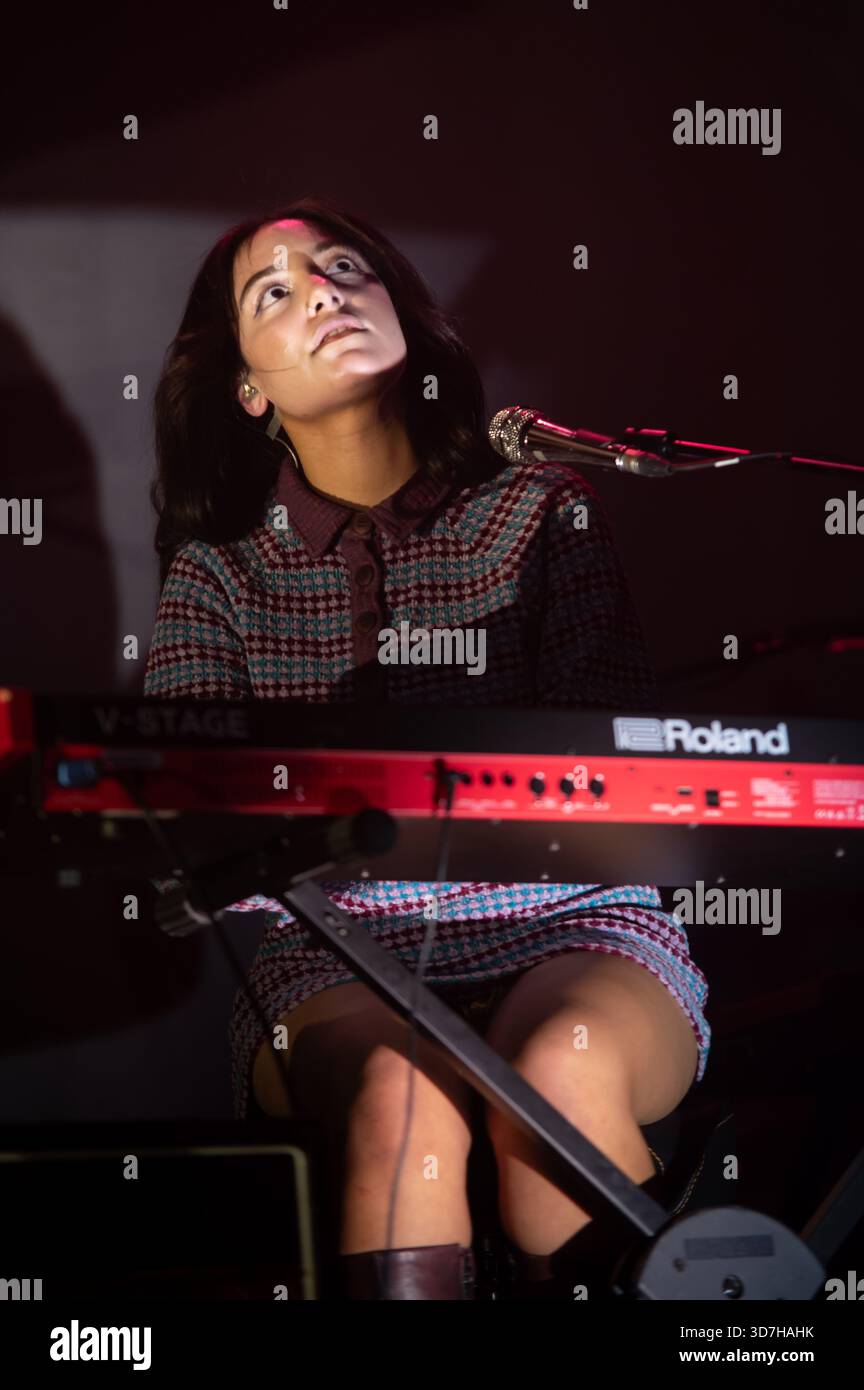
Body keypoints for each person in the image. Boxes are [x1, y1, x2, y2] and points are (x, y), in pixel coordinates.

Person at [143, 194, 711, 1301]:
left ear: (402, 306)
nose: (322, 290)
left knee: (556, 1078)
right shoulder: (218, 573)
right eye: (276, 292)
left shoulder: (546, 506)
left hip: (576, 917)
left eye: (347, 266)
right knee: (396, 1111)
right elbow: (190, 831)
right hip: (339, 949)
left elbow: (624, 785)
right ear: (249, 389)